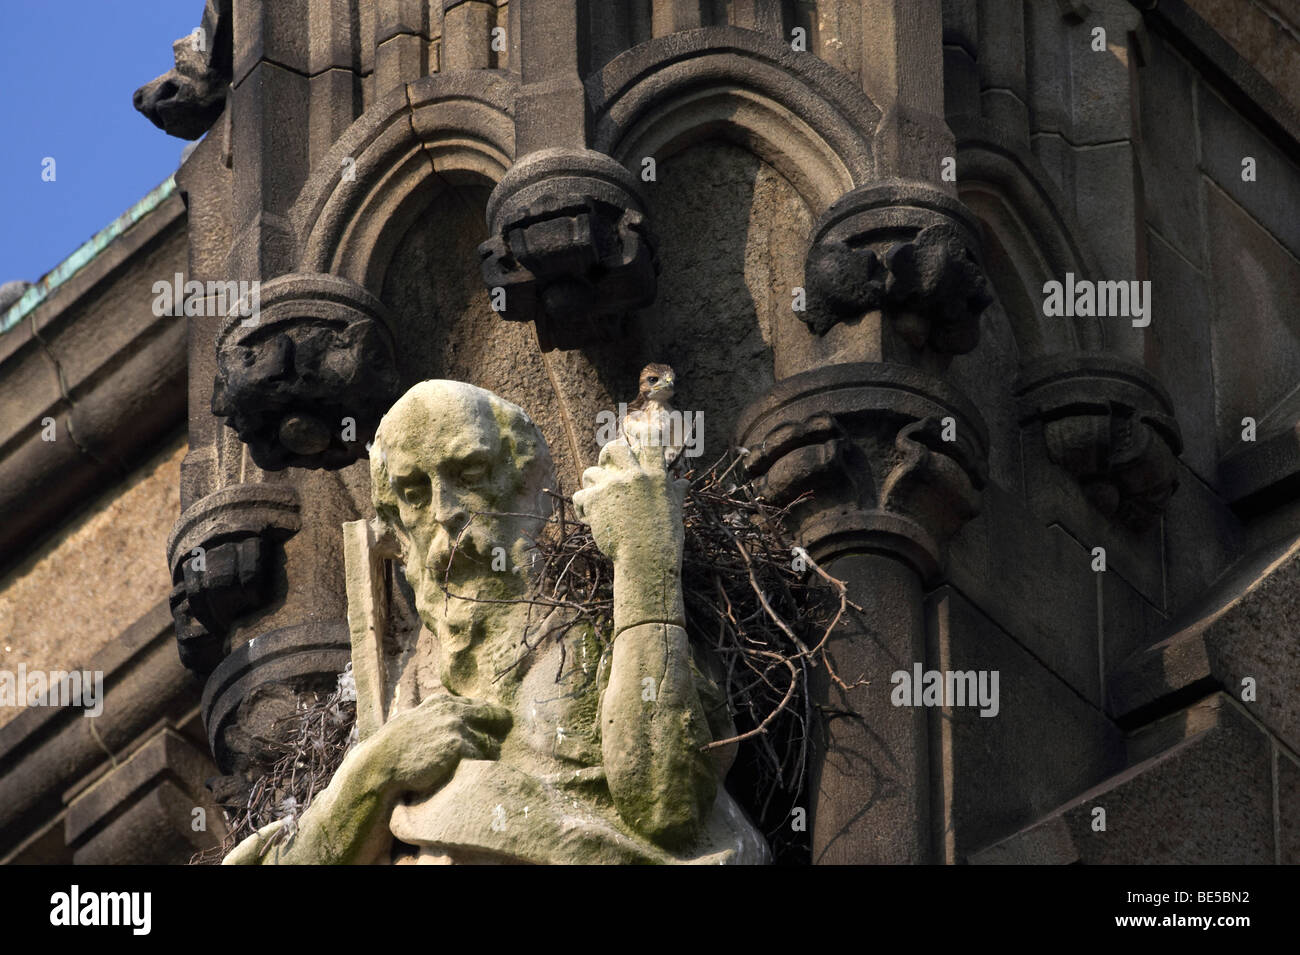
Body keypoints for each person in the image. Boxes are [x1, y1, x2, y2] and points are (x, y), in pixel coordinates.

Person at [226, 380, 769, 864]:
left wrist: (643, 556)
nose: (445, 511)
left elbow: (666, 806)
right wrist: (377, 770)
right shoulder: (397, 692)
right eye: (415, 492)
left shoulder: (595, 625)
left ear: (526, 487)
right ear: (396, 525)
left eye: (469, 473)